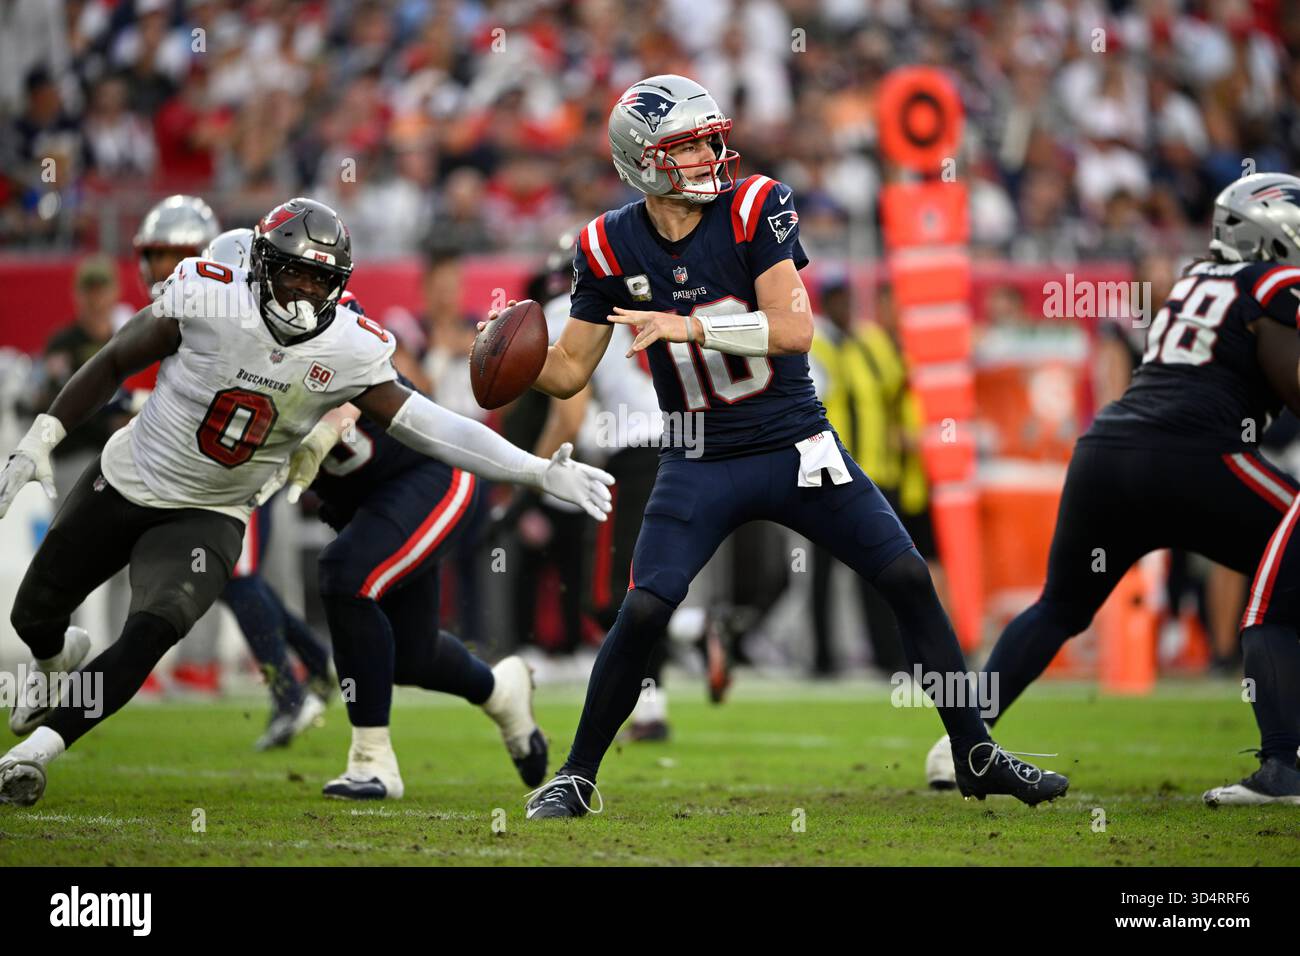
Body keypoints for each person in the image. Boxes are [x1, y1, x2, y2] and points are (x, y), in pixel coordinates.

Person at [504, 75, 1068, 819]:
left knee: (903, 573)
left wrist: (693, 325)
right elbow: (570, 368)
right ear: (643, 161)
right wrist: (511, 361)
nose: (711, 152)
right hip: (698, 455)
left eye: (710, 137)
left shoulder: (754, 206)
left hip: (796, 443)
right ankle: (576, 774)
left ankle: (974, 750)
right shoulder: (607, 244)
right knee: (643, 609)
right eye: (689, 144)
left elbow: (795, 329)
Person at [0, 196, 613, 807]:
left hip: (319, 498)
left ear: (340, 286)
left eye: (318, 279)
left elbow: (436, 426)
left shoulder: (349, 344)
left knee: (298, 589)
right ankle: (501, 692)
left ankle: (371, 759)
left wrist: (535, 472)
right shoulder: (209, 294)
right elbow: (116, 360)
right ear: (257, 266)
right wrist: (43, 437)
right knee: (410, 652)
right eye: (290, 271)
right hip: (160, 480)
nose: (300, 292)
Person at [926, 173, 1300, 807]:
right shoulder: (1272, 284)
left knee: (1059, 607)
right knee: (1277, 592)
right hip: (1195, 457)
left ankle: (964, 737)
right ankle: (1283, 768)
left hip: (1108, 455)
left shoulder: (1192, 279)